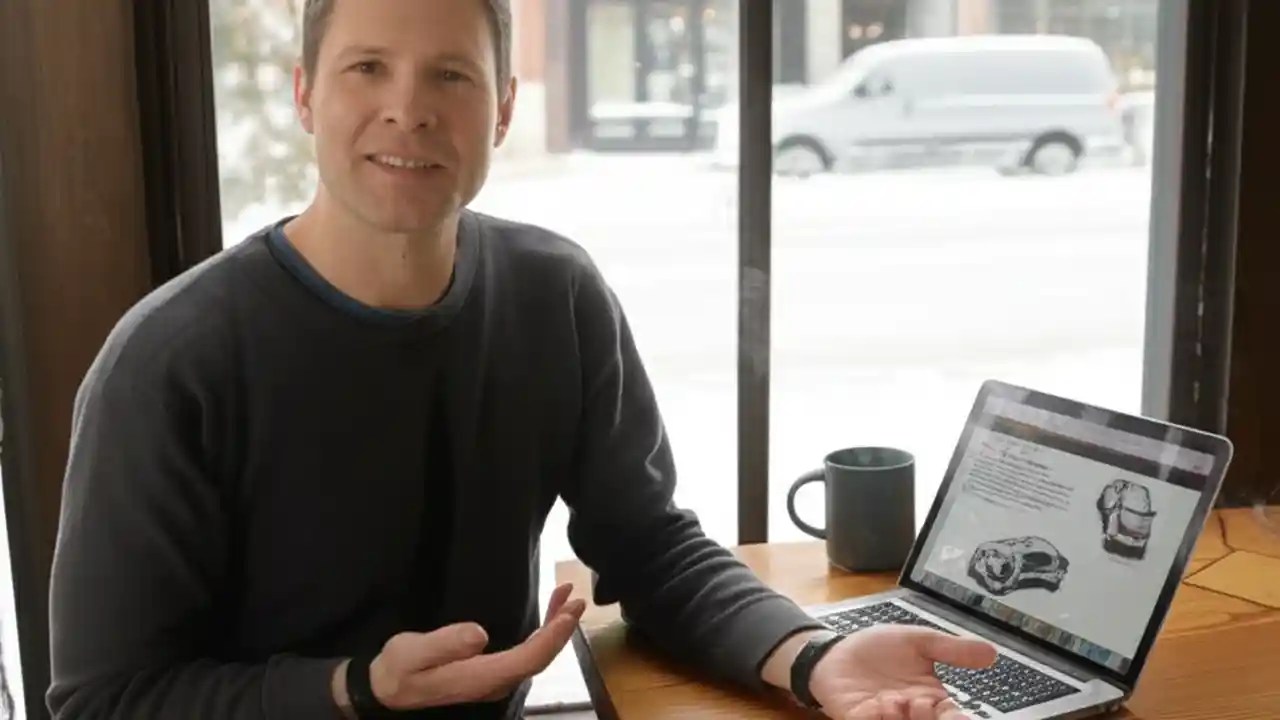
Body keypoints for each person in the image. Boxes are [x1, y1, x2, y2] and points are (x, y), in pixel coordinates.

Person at [45, 0, 997, 718]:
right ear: (304, 94)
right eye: (367, 68)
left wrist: (809, 656)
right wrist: (350, 690)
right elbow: (105, 698)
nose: (407, 111)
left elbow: (650, 544)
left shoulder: (554, 294)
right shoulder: (170, 363)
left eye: (450, 76)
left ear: (502, 107)